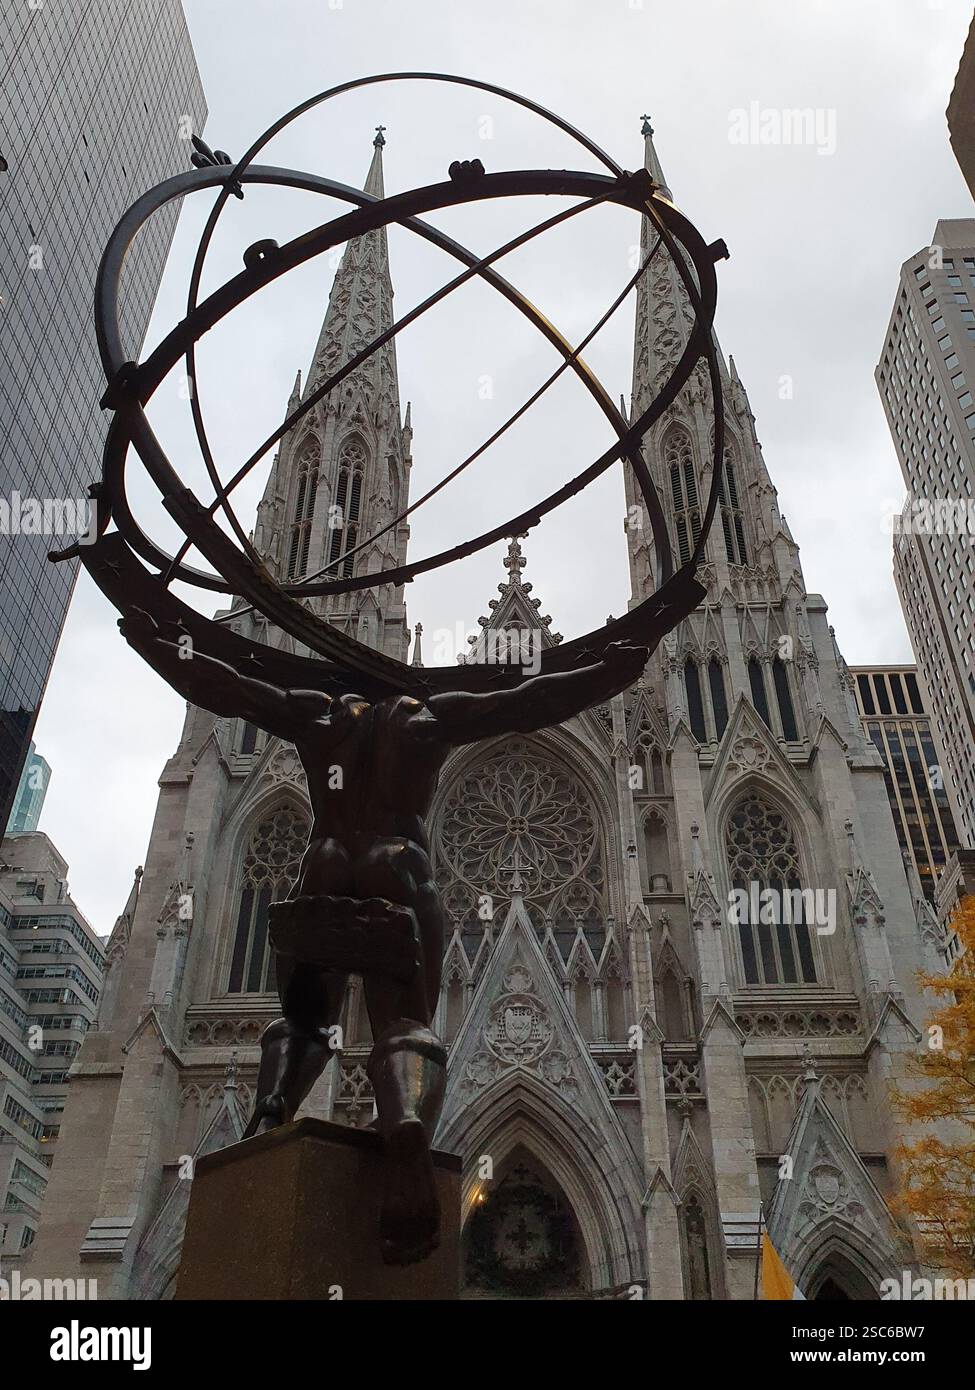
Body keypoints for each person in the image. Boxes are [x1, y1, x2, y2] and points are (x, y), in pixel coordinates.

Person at [120, 606, 652, 1263]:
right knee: (405, 1023)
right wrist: (613, 669)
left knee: (306, 1019)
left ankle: (277, 1100)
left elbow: (226, 688)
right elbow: (529, 701)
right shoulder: (424, 719)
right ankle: (403, 1120)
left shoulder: (317, 714)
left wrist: (152, 638)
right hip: (395, 869)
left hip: (324, 867)